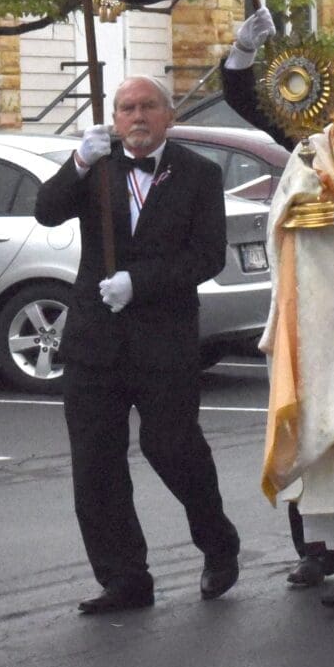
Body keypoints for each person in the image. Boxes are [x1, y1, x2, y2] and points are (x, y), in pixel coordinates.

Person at [37, 76, 239, 616]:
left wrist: (141, 282)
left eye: (148, 106)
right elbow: (46, 210)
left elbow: (208, 256)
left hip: (163, 339)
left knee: (172, 447)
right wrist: (77, 162)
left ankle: (218, 543)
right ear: (115, 117)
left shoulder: (199, 174)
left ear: (169, 116)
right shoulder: (96, 167)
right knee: (95, 464)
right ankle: (124, 578)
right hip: (94, 340)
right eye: (126, 108)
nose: (137, 116)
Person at [219, 7, 334, 594]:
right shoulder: (309, 143)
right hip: (312, 314)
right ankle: (319, 548)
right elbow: (248, 100)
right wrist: (243, 52)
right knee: (313, 421)